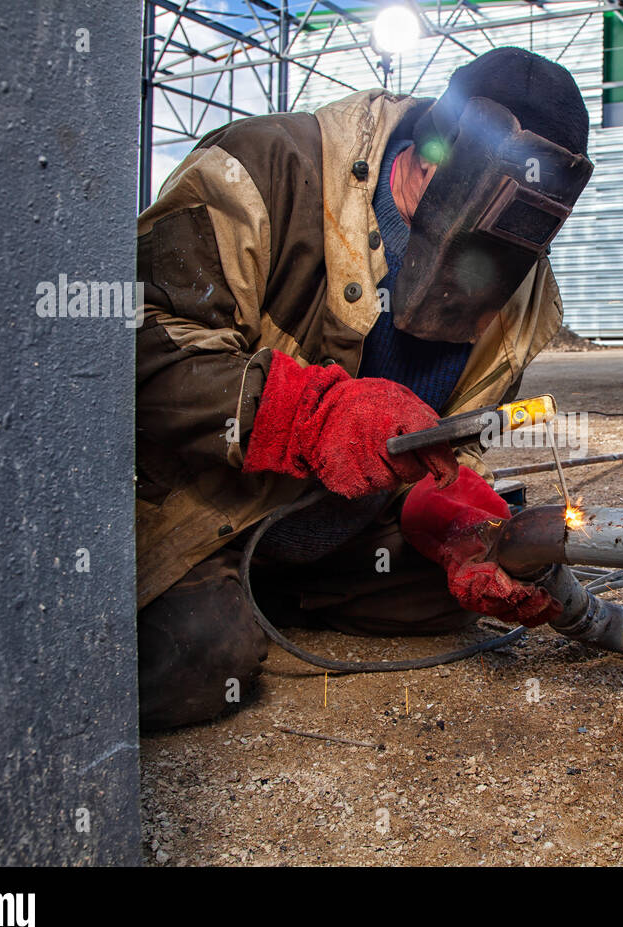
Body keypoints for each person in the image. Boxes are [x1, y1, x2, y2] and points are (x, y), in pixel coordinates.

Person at [134, 47, 593, 729]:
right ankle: (229, 590)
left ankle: (277, 589)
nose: (496, 260)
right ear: (440, 148)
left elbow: (452, 448)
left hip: (341, 523)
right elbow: (132, 344)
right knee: (200, 653)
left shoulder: (521, 286)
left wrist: (453, 520)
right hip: (200, 505)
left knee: (471, 583)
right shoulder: (264, 170)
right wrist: (304, 415)